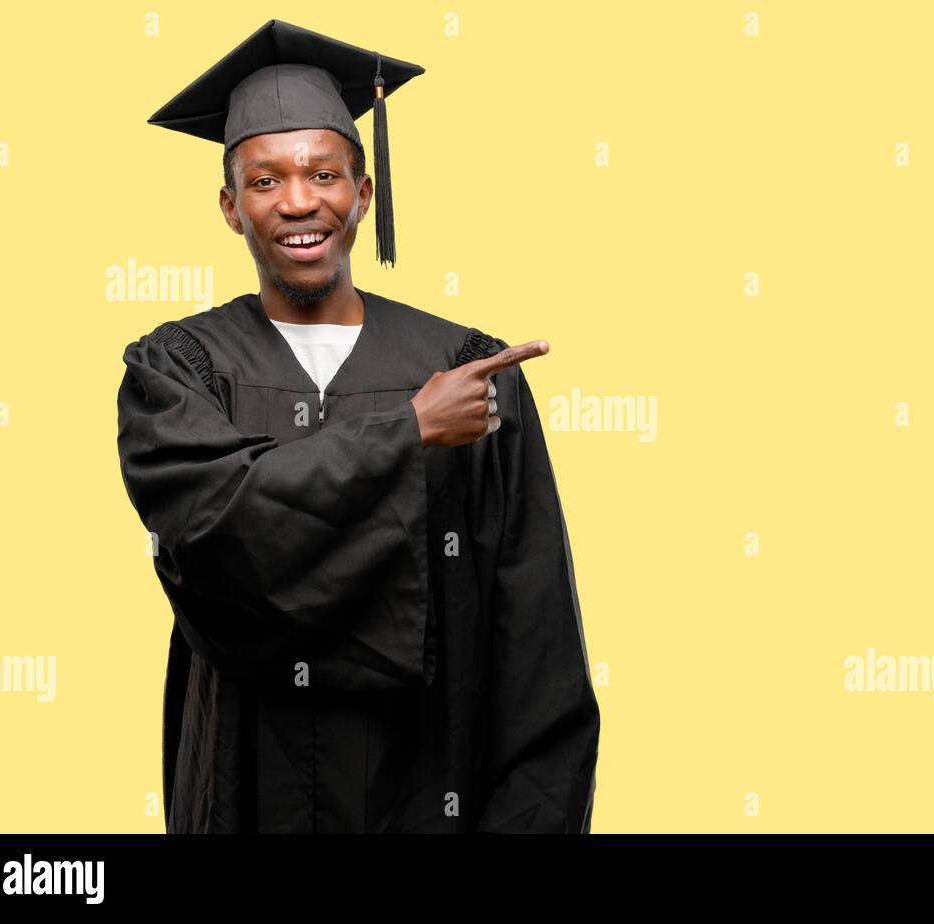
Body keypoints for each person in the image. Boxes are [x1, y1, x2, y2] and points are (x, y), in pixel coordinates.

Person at [116, 19, 600, 833]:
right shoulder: (178, 371)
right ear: (231, 208)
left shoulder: (471, 374)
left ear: (363, 194)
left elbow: (536, 648)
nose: (299, 201)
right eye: (265, 181)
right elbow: (213, 528)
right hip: (244, 795)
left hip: (426, 797)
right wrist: (406, 431)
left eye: (323, 173)